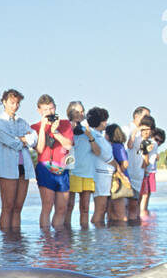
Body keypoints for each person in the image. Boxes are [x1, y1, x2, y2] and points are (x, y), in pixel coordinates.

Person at [0, 88, 35, 232]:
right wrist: (23, 139)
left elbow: (34, 139)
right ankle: (6, 241)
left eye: (17, 103)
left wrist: (23, 139)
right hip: (7, 167)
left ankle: (17, 240)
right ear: (4, 102)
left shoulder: (22, 122)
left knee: (18, 207)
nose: (14, 106)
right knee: (8, 206)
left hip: (23, 167)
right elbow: (13, 143)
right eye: (11, 102)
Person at [31, 94, 73, 231]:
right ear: (39, 111)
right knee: (47, 205)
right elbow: (40, 148)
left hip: (62, 168)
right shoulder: (35, 127)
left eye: (51, 108)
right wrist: (43, 128)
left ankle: (59, 239)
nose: (50, 112)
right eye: (46, 110)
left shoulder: (65, 124)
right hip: (45, 168)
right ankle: (46, 239)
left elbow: (68, 145)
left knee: (62, 207)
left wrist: (55, 132)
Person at [64, 101, 96, 229]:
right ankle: (66, 232)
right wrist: (70, 130)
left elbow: (97, 151)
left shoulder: (88, 130)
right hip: (72, 171)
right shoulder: (66, 129)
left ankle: (85, 237)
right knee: (69, 205)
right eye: (77, 112)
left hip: (87, 172)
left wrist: (90, 136)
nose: (80, 114)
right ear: (70, 113)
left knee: (85, 207)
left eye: (82, 111)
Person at [84, 107, 114, 226]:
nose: (106, 123)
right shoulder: (96, 136)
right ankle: (100, 239)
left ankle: (100, 236)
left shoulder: (95, 135)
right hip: (101, 175)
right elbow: (106, 156)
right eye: (105, 120)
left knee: (101, 208)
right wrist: (119, 168)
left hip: (102, 174)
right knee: (100, 209)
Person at [126, 114, 159, 223]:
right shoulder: (135, 137)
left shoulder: (153, 144)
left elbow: (146, 165)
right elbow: (129, 146)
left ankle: (135, 228)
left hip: (138, 177)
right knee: (123, 204)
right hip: (127, 175)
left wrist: (146, 152)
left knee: (134, 204)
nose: (146, 132)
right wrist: (135, 132)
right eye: (144, 129)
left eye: (149, 130)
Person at [105, 122, 130, 224]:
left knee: (119, 212)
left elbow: (125, 163)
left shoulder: (116, 146)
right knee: (113, 209)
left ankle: (122, 234)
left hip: (119, 180)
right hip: (118, 179)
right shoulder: (119, 146)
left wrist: (119, 173)